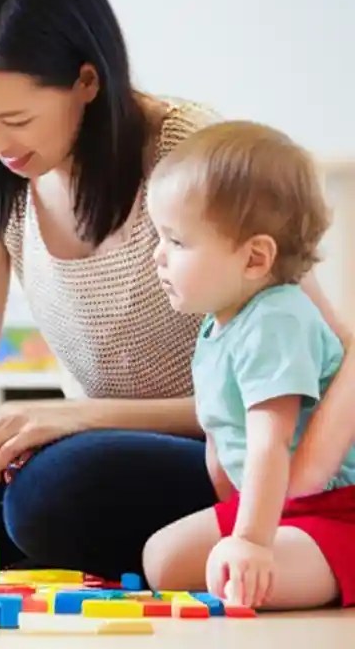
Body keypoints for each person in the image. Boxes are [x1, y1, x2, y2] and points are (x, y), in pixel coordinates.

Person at [0, 0, 355, 578]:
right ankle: (54, 538)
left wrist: (77, 416)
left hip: (234, 449)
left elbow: (324, 367)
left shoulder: (188, 160)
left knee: (55, 489)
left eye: (14, 118)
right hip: (97, 445)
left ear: (87, 82)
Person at [141, 122, 355, 609]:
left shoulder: (276, 320)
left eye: (176, 241)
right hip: (278, 505)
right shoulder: (221, 324)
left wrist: (252, 542)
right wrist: (236, 521)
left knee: (244, 573)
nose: (158, 256)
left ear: (255, 257)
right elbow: (220, 439)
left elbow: (268, 443)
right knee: (163, 559)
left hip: (334, 508)